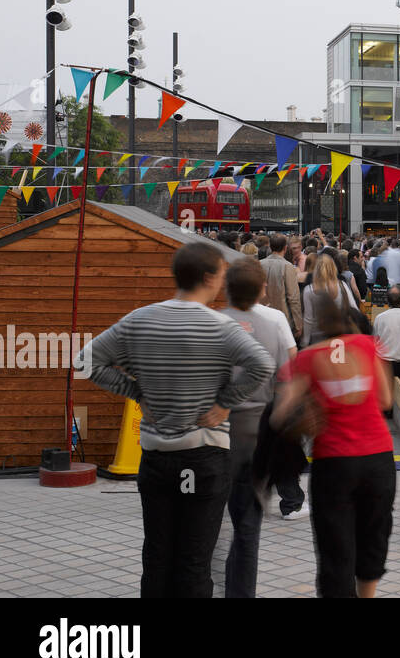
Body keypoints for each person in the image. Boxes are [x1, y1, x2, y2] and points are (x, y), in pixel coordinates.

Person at [75, 242, 274, 598]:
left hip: (156, 459)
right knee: (195, 561)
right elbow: (262, 365)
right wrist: (226, 403)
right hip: (206, 454)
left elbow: (84, 362)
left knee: (157, 555)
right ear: (210, 277)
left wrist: (136, 392)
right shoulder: (221, 327)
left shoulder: (138, 320)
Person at [274, 291, 395, 597]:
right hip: (377, 457)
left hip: (333, 461)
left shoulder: (306, 358)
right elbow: (385, 400)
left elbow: (281, 414)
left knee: (335, 545)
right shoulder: (369, 347)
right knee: (372, 537)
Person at [219, 257, 296, 598]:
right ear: (261, 289)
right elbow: (286, 384)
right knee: (247, 531)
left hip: (216, 436)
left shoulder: (214, 323)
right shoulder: (274, 325)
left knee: (206, 530)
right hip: (257, 439)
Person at [301, 253, 356, 347]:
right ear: (333, 267)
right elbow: (353, 308)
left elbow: (308, 319)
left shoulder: (309, 290)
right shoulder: (342, 285)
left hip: (316, 339)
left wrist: (305, 342)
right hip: (339, 337)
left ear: (316, 269)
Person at [260, 233, 304, 343]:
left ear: (270, 247)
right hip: (283, 319)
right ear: (285, 248)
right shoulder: (288, 267)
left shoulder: (259, 264)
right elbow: (293, 298)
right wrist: (298, 324)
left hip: (262, 316)